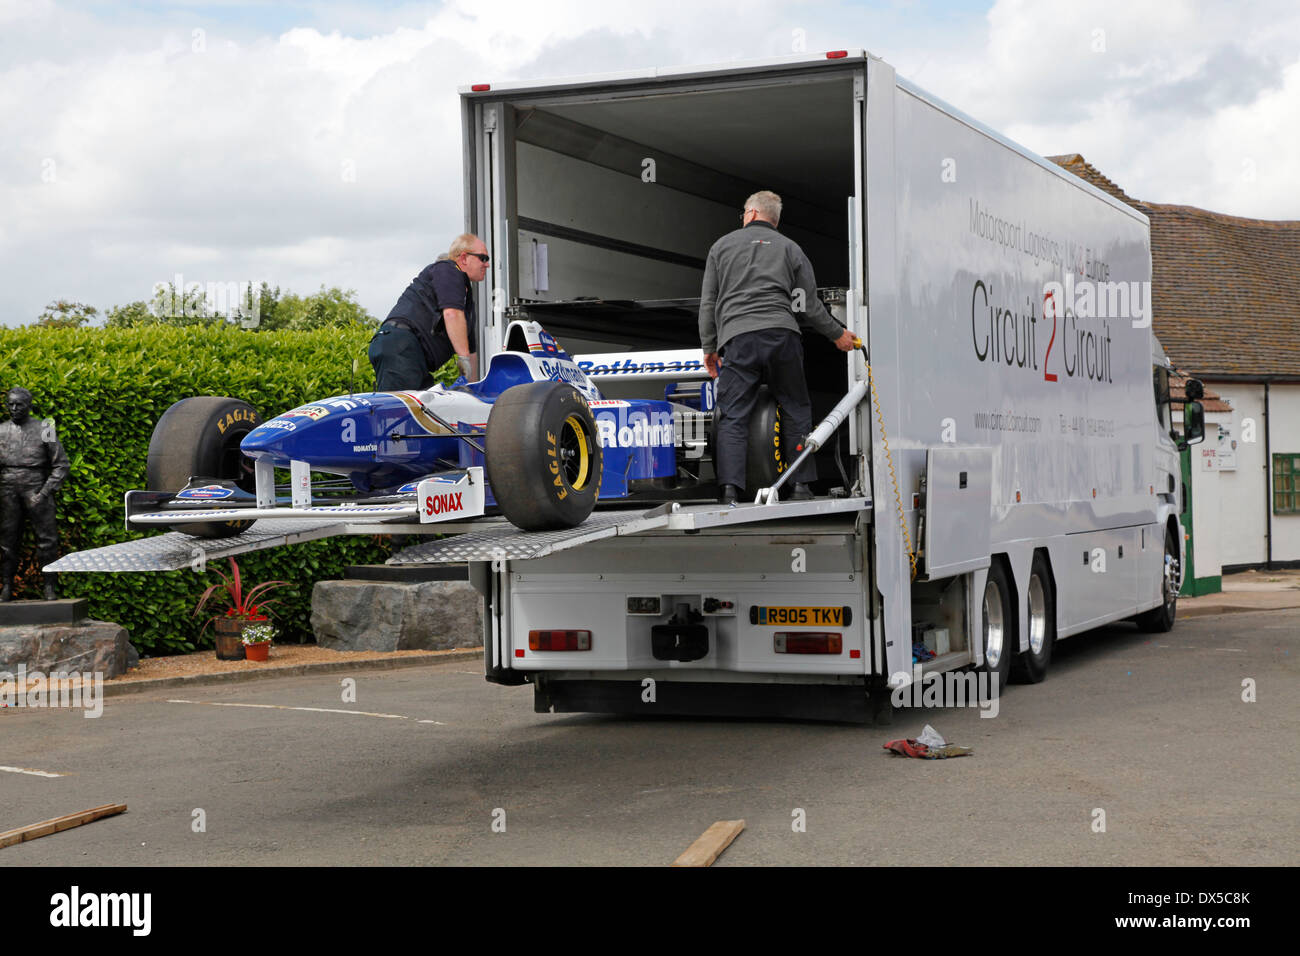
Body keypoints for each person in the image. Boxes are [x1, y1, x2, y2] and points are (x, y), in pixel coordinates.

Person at [699, 191, 855, 504]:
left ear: (752, 214)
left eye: (743, 212)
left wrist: (709, 346)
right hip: (782, 337)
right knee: (796, 409)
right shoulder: (792, 249)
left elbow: (709, 303)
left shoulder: (721, 247)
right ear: (774, 219)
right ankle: (800, 486)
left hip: (738, 338)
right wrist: (837, 334)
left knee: (732, 415)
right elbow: (809, 306)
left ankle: (729, 489)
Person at [369, 234, 488, 390]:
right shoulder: (448, 269)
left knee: (428, 409)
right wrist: (463, 360)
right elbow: (451, 314)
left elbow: (470, 349)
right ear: (464, 258)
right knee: (401, 411)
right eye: (483, 258)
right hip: (401, 348)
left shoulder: (466, 303)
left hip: (412, 356)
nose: (487, 265)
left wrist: (473, 389)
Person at [0, 387, 70, 601]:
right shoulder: (0, 430)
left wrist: (44, 492)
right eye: (10, 404)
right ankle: (6, 585)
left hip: (37, 487)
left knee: (47, 540)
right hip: (7, 489)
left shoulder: (45, 428)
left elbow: (61, 465)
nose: (14, 408)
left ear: (29, 405)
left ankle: (49, 586)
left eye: (19, 404)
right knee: (6, 541)